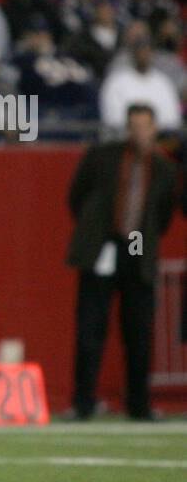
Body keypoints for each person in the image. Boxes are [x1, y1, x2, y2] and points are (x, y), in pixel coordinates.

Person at [66, 104, 176, 420]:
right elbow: (77, 196)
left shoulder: (163, 169)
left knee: (139, 330)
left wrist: (139, 242)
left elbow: (162, 216)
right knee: (90, 327)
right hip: (104, 243)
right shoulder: (103, 156)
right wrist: (95, 231)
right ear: (127, 128)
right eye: (134, 125)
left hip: (137, 245)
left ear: (155, 128)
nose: (139, 131)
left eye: (145, 125)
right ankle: (83, 402)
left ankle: (139, 404)